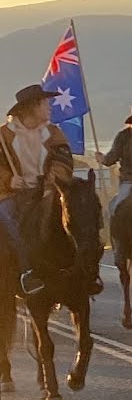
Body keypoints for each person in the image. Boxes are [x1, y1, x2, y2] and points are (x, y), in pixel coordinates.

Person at [0, 85, 75, 297]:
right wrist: (9, 180)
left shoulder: (53, 133)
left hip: (48, 190)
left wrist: (51, 184)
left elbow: (63, 160)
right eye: (44, 103)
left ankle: (83, 269)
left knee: (80, 210)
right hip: (13, 193)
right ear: (31, 108)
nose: (49, 107)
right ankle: (25, 270)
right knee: (6, 217)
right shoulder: (3, 136)